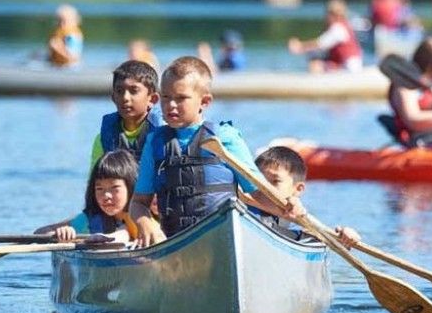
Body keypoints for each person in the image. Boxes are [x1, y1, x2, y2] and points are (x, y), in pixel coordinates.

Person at [129, 56, 303, 247]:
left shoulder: (225, 138)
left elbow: (258, 193)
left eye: (181, 98)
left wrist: (286, 207)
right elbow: (138, 203)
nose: (171, 105)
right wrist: (147, 225)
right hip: (175, 242)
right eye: (166, 97)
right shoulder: (155, 141)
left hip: (222, 241)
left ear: (204, 102)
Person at [251, 146, 361, 246]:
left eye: (275, 181)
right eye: (259, 179)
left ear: (298, 189)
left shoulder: (299, 225)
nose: (264, 186)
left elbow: (325, 237)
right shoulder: (241, 204)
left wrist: (343, 237)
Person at [34, 149, 140, 242]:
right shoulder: (88, 220)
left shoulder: (144, 216)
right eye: (99, 189)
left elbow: (124, 233)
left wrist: (108, 239)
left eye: (114, 188)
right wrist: (60, 234)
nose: (106, 195)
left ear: (130, 186)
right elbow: (39, 233)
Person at [90, 60, 162, 167]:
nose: (125, 98)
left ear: (152, 99)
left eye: (134, 91)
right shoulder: (102, 139)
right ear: (113, 98)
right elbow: (95, 181)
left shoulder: (165, 135)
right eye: (119, 91)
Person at [287, 0, 364, 73]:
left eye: (327, 14)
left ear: (333, 15)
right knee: (316, 56)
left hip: (349, 69)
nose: (325, 17)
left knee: (315, 63)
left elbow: (320, 44)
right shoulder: (343, 25)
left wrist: (300, 46)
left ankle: (313, 83)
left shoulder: (338, 29)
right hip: (346, 65)